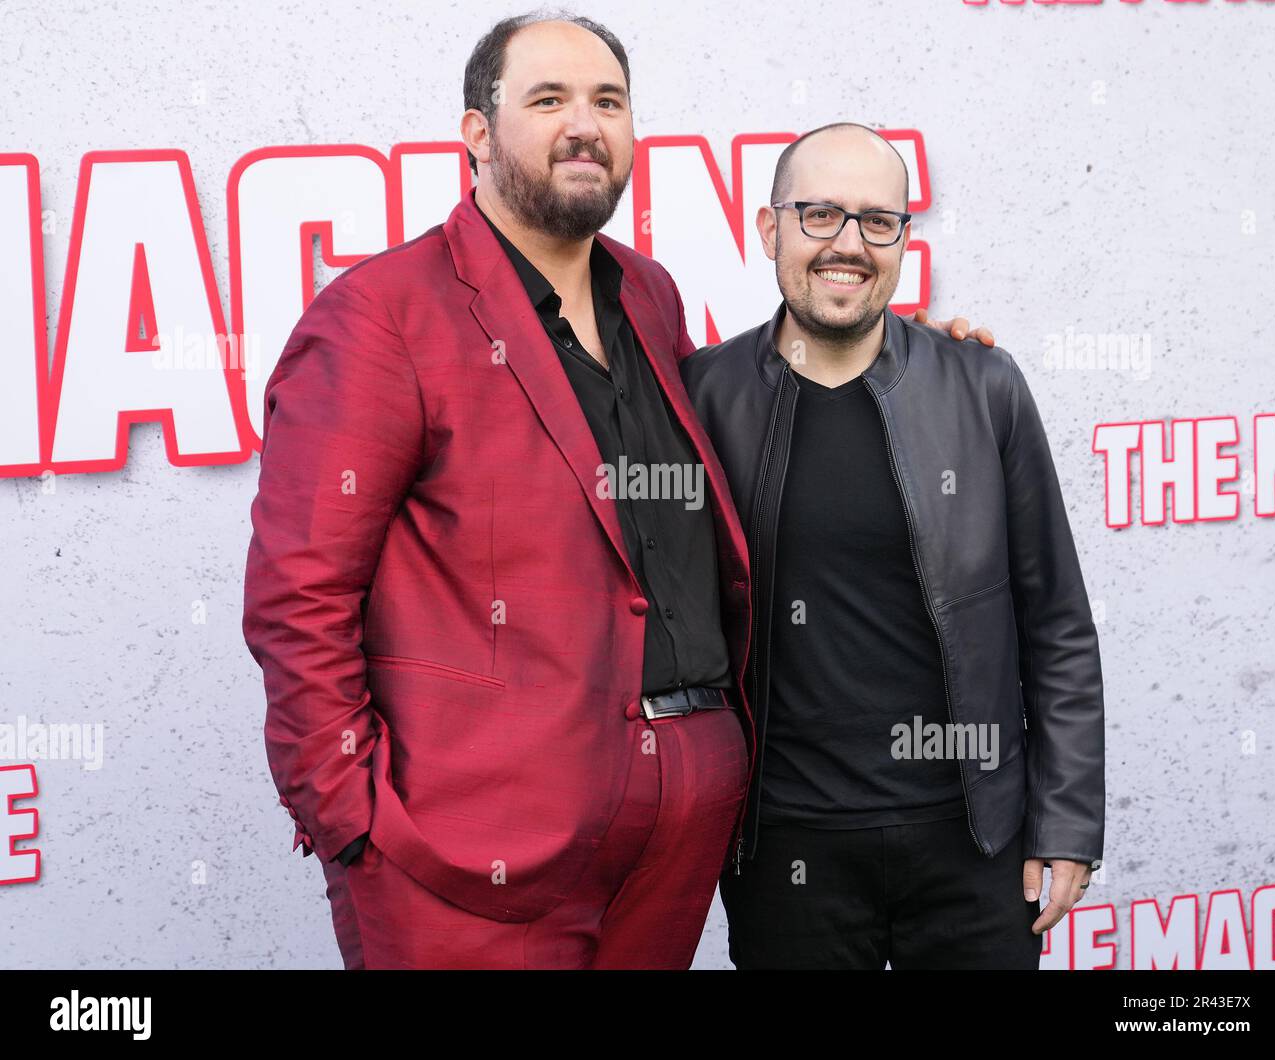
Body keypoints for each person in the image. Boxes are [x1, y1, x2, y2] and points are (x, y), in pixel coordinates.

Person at [243, 13, 982, 969]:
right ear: (476, 135)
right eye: (547, 99)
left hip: (683, 821)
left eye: (608, 102)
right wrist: (355, 827)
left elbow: (753, 420)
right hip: (476, 844)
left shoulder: (650, 293)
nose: (583, 124)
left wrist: (921, 361)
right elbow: (299, 596)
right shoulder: (379, 314)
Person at [680, 123, 1105, 969]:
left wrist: (1067, 822)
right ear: (769, 231)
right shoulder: (701, 397)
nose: (849, 244)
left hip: (974, 846)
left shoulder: (983, 387)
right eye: (820, 215)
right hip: (784, 853)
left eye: (878, 221)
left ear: (905, 242)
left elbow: (1056, 620)